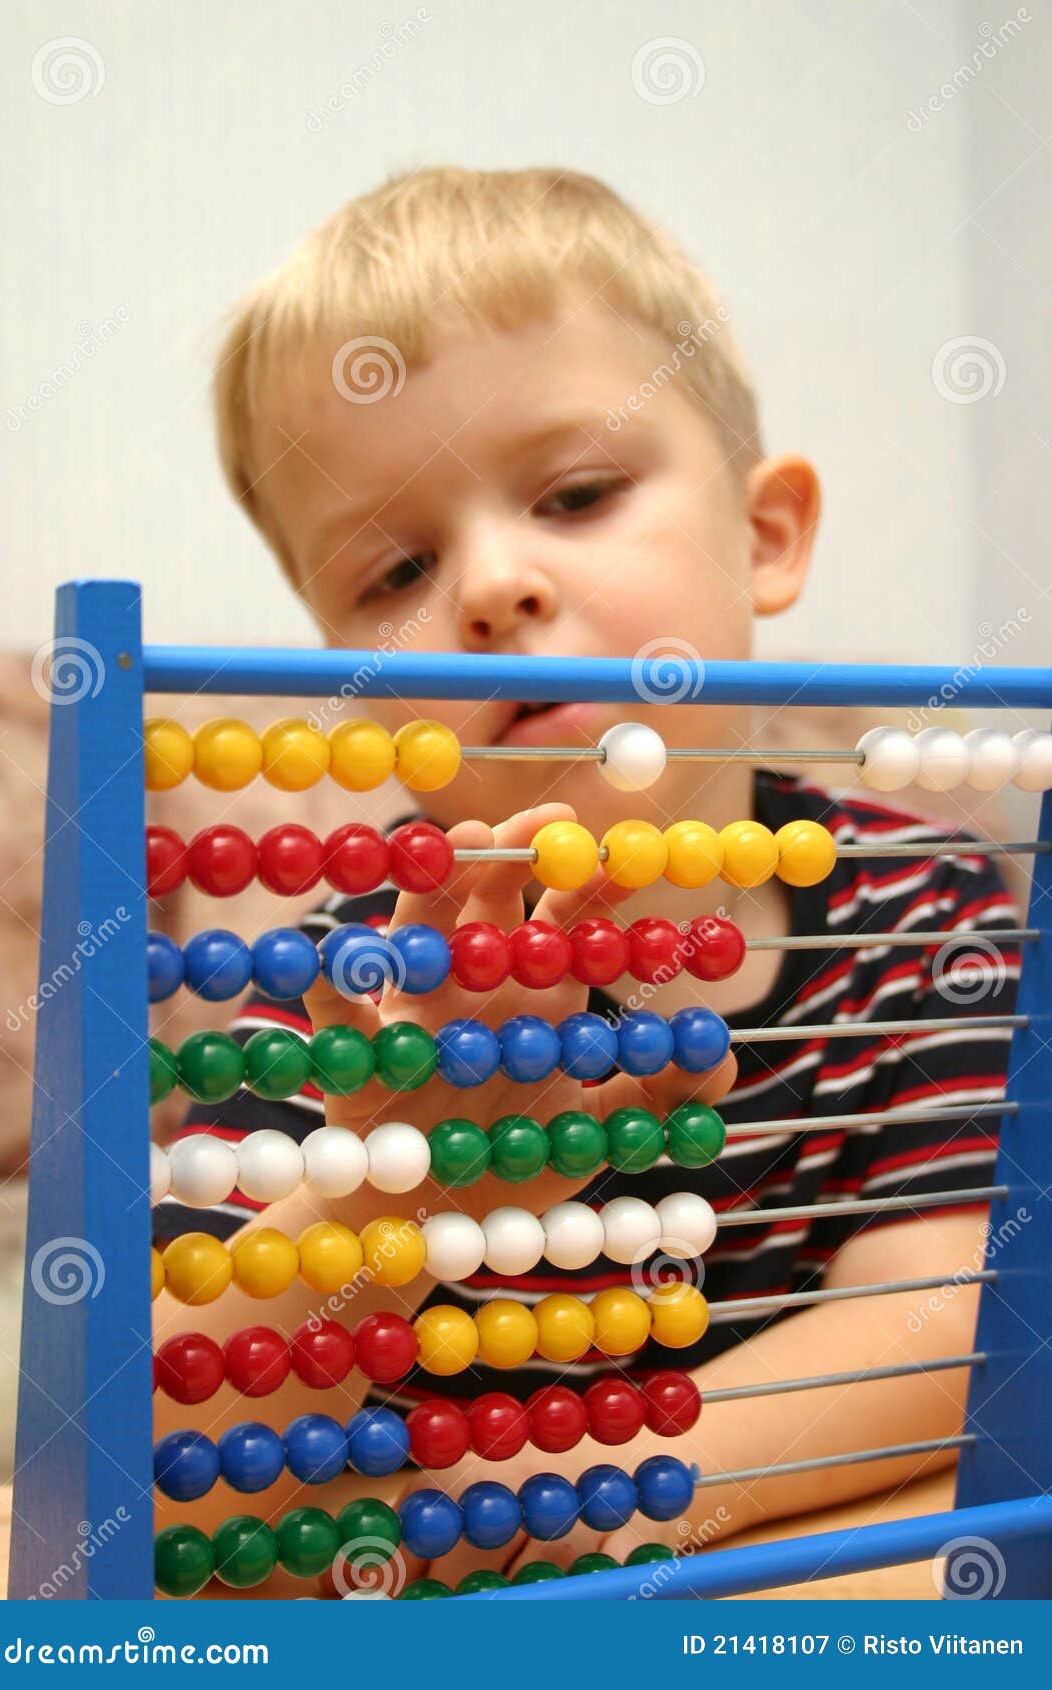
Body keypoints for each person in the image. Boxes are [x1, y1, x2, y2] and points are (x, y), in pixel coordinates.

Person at [151, 166, 1019, 1595]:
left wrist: (614, 1488)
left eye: (577, 492)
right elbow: (171, 1481)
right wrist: (379, 1207)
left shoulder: (927, 919)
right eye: (397, 570)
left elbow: (948, 1316)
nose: (494, 584)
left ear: (767, 535)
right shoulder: (341, 1004)